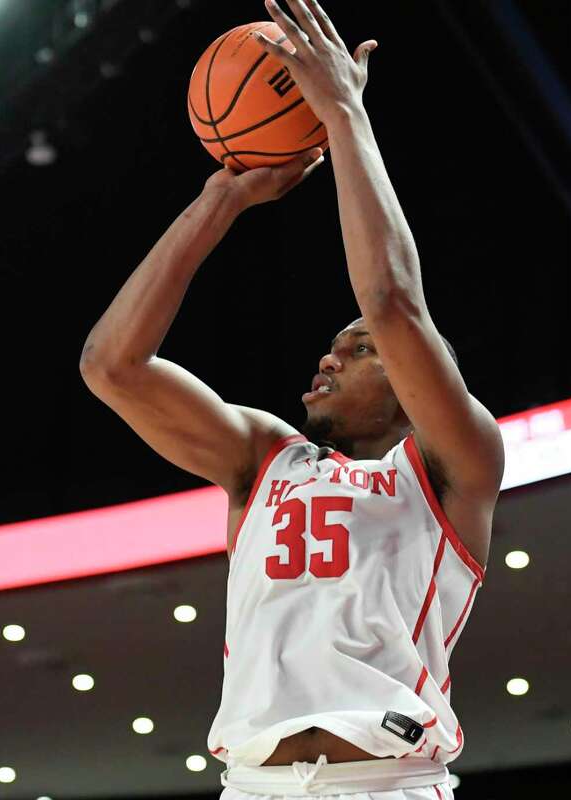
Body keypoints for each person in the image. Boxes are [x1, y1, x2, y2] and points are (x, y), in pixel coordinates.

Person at [80, 1, 505, 796]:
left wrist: (344, 115)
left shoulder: (455, 464)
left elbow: (391, 301)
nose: (331, 354)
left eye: (358, 350)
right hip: (255, 785)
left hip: (391, 783)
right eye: (335, 344)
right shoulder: (265, 458)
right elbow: (112, 366)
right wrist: (222, 201)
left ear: (421, 388)